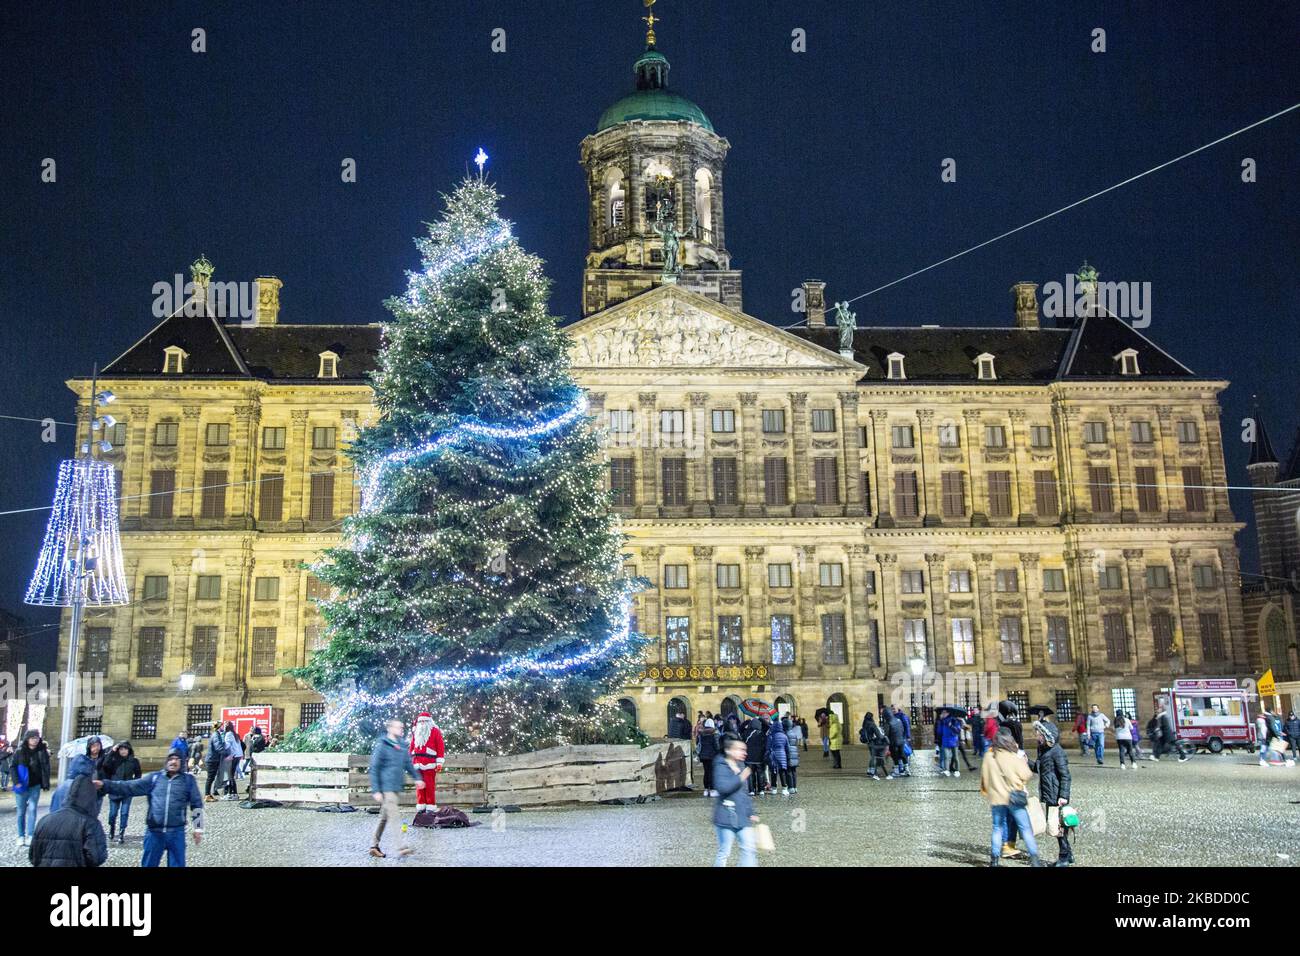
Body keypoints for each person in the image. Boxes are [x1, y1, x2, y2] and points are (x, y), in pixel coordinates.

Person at [95, 749, 204, 867]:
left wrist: (198, 828)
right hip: (154, 832)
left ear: (182, 762)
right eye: (171, 759)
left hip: (176, 832)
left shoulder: (188, 781)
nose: (173, 762)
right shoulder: (154, 778)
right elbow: (129, 786)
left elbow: (196, 804)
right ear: (166, 761)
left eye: (177, 759)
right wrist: (105, 785)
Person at [980, 728, 1042, 867]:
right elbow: (1026, 774)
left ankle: (994, 860)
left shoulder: (989, 756)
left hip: (997, 798)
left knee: (997, 828)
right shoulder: (1012, 756)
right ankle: (1034, 859)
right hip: (1014, 797)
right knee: (1025, 828)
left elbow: (985, 777)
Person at [369, 717, 424, 858]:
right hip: (386, 788)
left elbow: (408, 764)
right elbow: (374, 768)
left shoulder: (402, 746)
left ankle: (374, 846)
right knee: (394, 815)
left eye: (401, 727)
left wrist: (417, 778)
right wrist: (376, 790)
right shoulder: (382, 745)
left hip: (396, 786)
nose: (401, 730)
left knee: (384, 817)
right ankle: (401, 847)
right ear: (390, 728)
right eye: (398, 727)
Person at [28, 775, 108, 868]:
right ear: (91, 797)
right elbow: (97, 857)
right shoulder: (91, 824)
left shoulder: (44, 820)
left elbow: (33, 856)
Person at [1028, 721, 1074, 866]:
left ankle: (1064, 858)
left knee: (1057, 827)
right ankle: (1068, 855)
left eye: (1039, 734)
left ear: (1047, 735)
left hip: (1056, 795)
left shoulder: (1057, 751)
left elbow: (1066, 775)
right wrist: (1026, 761)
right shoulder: (1043, 749)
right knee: (1058, 825)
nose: (1037, 736)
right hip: (1049, 792)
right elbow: (1039, 768)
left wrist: (1063, 796)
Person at [712, 734, 758, 867]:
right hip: (725, 816)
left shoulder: (740, 764)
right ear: (728, 750)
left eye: (745, 750)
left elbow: (744, 792)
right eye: (740, 750)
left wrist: (751, 812)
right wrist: (740, 777)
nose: (745, 753)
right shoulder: (720, 764)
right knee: (724, 852)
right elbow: (722, 787)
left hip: (742, 815)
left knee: (749, 849)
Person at [12, 730, 52, 847]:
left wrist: (45, 783)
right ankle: (20, 835)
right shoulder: (20, 751)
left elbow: (45, 768)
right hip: (22, 785)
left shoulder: (42, 751)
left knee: (32, 810)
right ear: (27, 739)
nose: (35, 740)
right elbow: (13, 767)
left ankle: (30, 834)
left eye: (37, 737)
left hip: (35, 785)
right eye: (33, 737)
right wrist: (16, 781)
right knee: (21, 811)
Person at [100, 740, 142, 844]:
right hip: (114, 789)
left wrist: (133, 784)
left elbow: (138, 774)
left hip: (127, 790)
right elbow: (105, 765)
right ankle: (112, 828)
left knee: (124, 813)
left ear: (129, 750)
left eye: (125, 749)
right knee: (113, 814)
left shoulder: (134, 761)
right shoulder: (114, 760)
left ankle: (122, 832)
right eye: (121, 749)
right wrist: (112, 751)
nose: (123, 751)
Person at [408, 712, 446, 814]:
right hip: (417, 762)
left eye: (425, 721)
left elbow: (440, 747)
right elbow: (412, 746)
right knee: (420, 786)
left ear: (429, 722)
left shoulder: (435, 731)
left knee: (429, 785)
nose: (423, 723)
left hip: (430, 763)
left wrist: (439, 762)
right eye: (421, 721)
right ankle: (421, 806)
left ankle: (430, 806)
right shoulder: (416, 732)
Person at [861, 712, 888, 780]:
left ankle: (869, 770)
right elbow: (878, 735)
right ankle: (872, 771)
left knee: (872, 756)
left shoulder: (864, 723)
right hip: (873, 742)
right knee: (874, 756)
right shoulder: (872, 724)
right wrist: (883, 737)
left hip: (868, 742)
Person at [767, 716, 790, 795]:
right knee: (782, 772)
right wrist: (787, 756)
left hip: (773, 756)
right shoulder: (784, 736)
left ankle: (774, 789)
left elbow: (768, 747)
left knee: (774, 773)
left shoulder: (771, 736)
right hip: (782, 755)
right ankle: (784, 788)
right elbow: (787, 748)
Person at [937, 709, 964, 777]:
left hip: (953, 741)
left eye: (944, 712)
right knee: (946, 757)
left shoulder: (954, 720)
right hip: (945, 740)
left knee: (955, 757)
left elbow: (958, 730)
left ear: (948, 713)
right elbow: (939, 732)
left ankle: (957, 770)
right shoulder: (942, 721)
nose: (942, 714)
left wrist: (951, 726)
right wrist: (940, 722)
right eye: (942, 713)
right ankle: (947, 770)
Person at [744, 718, 768, 793]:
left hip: (749, 758)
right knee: (760, 773)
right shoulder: (762, 733)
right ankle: (761, 790)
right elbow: (767, 726)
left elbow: (740, 728)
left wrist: (747, 721)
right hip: (759, 757)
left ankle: (751, 790)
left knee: (750, 774)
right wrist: (761, 719)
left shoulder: (746, 733)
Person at [203, 721, 226, 801]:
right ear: (219, 727)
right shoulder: (216, 735)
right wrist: (226, 753)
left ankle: (208, 794)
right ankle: (207, 795)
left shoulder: (216, 734)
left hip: (213, 759)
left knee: (211, 778)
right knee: (210, 778)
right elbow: (218, 747)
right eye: (222, 726)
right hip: (212, 759)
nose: (223, 727)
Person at [697, 718, 720, 796]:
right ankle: (713, 790)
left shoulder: (701, 734)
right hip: (712, 756)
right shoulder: (714, 734)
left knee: (706, 772)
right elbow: (717, 746)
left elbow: (698, 744)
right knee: (712, 772)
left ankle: (706, 790)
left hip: (703, 756)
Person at [221, 722, 243, 798]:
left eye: (224, 726)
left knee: (229, 775)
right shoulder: (234, 734)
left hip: (232, 756)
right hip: (237, 756)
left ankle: (230, 793)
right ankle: (234, 793)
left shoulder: (228, 734)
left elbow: (227, 746)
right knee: (231, 775)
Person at [885, 708, 907, 778]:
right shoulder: (898, 720)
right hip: (901, 741)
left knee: (895, 756)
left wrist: (887, 745)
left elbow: (887, 735)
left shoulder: (888, 723)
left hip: (893, 742)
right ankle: (906, 770)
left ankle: (897, 771)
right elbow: (903, 729)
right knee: (902, 755)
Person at [783, 716, 801, 793]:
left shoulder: (785, 734)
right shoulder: (793, 733)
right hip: (794, 754)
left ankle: (791, 787)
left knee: (789, 771)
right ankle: (795, 787)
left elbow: (785, 746)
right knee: (794, 771)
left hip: (788, 754)